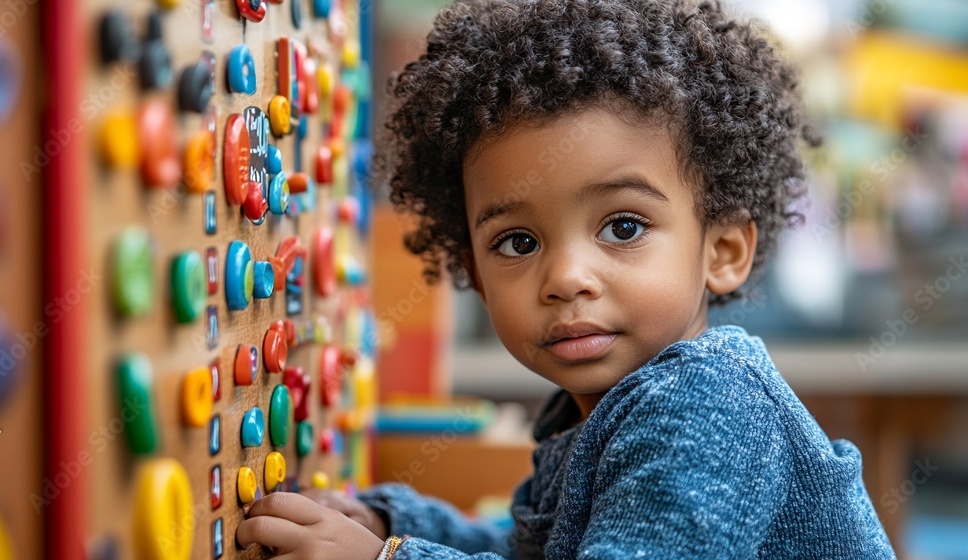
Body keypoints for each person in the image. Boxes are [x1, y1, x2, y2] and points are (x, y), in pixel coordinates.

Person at [235, 0, 896, 558]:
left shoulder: (706, 405)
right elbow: (538, 545)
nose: (567, 276)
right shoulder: (597, 409)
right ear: (475, 273)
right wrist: (393, 524)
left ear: (722, 249)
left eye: (624, 227)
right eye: (517, 242)